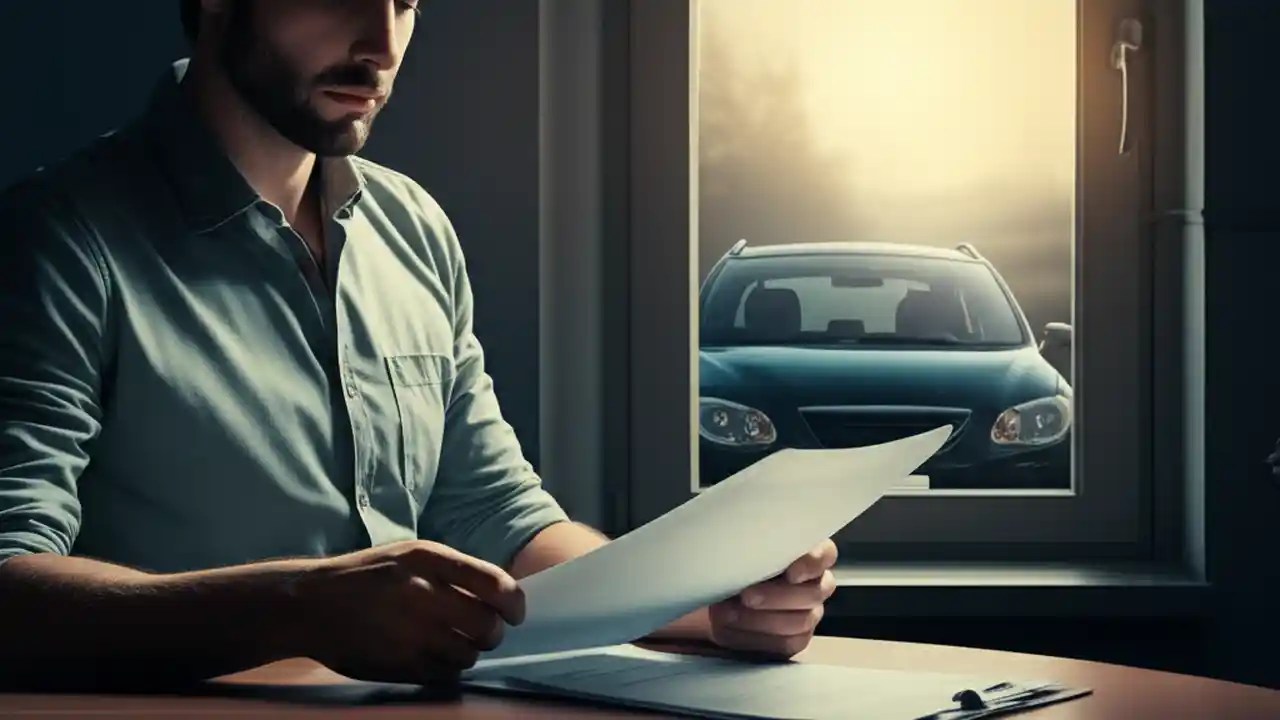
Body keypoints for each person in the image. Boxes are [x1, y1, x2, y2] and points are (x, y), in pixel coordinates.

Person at [0, 0, 837, 688]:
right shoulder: (60, 240)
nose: (382, 43)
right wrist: (300, 604)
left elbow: (497, 516)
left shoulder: (413, 230)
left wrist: (705, 601)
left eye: (405, 2)